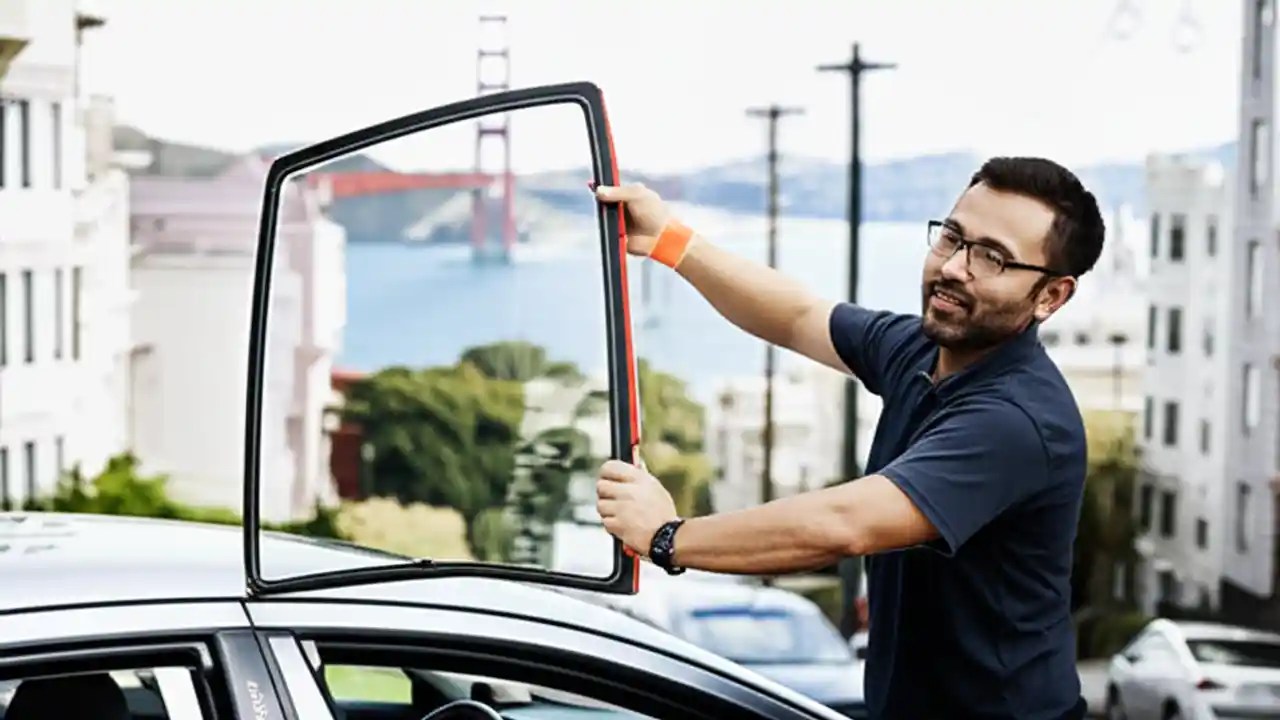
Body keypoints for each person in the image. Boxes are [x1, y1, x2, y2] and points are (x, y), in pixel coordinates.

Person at [593, 156, 1102, 720]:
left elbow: (846, 523)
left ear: (1051, 297)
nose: (956, 267)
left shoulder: (1017, 419)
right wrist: (668, 240)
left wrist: (668, 537)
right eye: (953, 237)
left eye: (992, 257)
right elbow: (796, 316)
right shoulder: (921, 351)